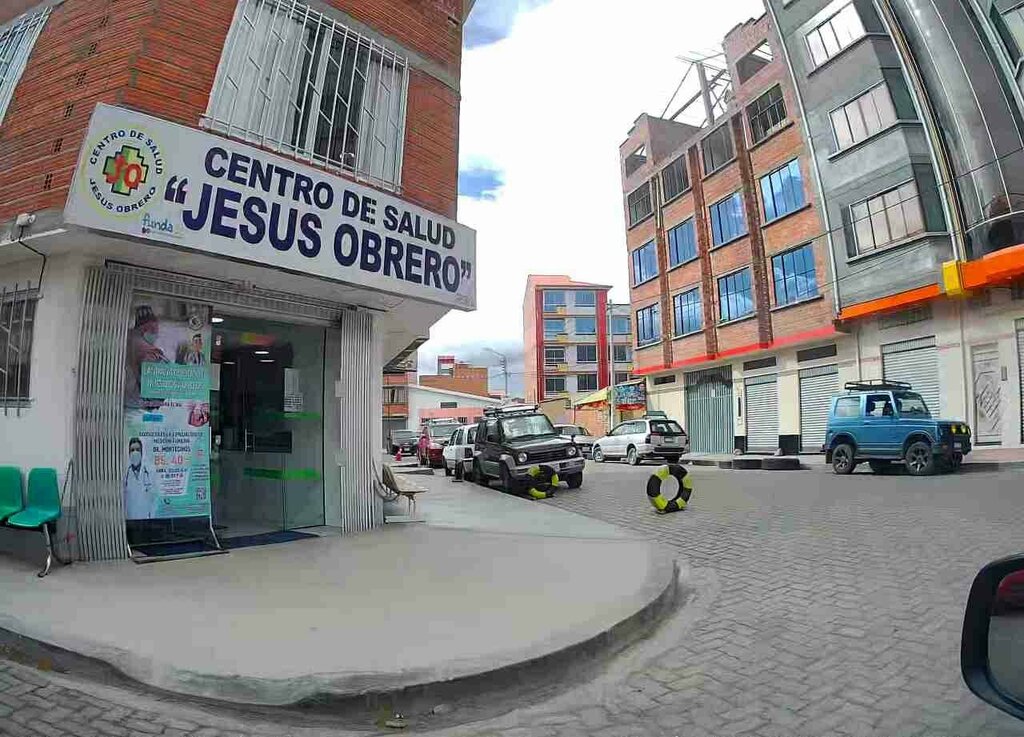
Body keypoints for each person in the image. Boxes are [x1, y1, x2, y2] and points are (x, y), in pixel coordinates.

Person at [125, 305, 170, 407]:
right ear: (143, 329)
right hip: (138, 402)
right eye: (153, 329)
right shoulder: (148, 351)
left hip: (127, 400)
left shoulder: (127, 341)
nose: (156, 333)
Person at [123, 437, 156, 520]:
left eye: (137, 449)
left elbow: (154, 499)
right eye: (132, 450)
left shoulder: (150, 472)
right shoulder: (125, 474)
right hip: (131, 519)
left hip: (146, 519)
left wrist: (151, 518)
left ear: (142, 452)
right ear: (128, 453)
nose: (135, 452)